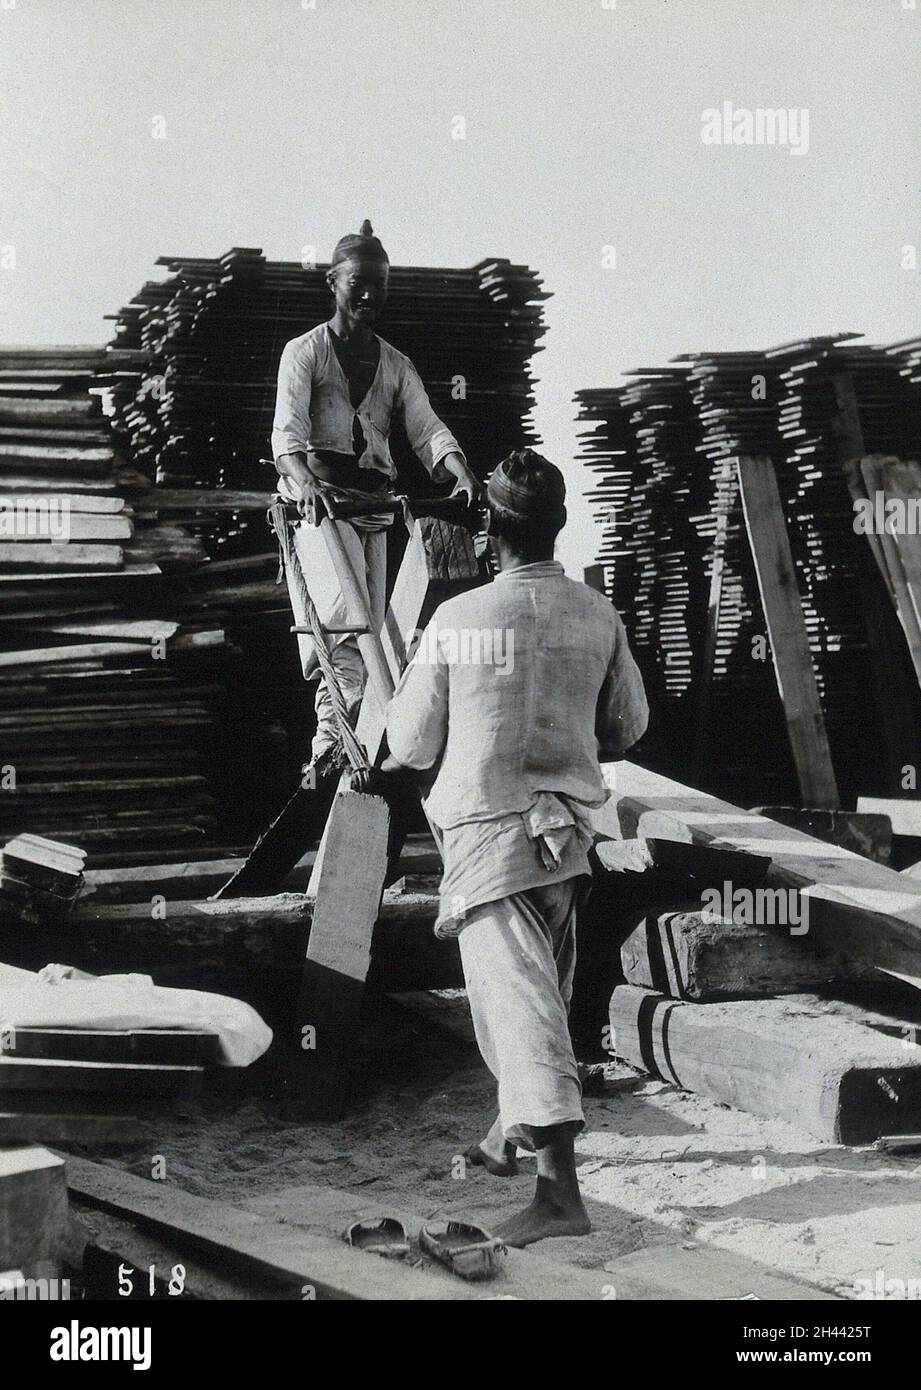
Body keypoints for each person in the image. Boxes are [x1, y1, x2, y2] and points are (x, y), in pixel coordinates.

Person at [383, 449, 648, 1246]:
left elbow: (412, 740)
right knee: (542, 1001)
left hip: (488, 832)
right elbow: (627, 727)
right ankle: (507, 1137)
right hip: (564, 835)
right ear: (557, 527)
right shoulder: (596, 615)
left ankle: (559, 1197)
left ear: (486, 530)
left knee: (521, 1008)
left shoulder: (460, 621)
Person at [271, 219, 481, 774]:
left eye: (380, 285)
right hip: (319, 507)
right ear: (333, 284)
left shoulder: (395, 364)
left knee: (378, 635)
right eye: (357, 283)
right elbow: (286, 438)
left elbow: (427, 429)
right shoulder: (305, 353)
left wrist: (459, 473)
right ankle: (329, 740)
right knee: (343, 623)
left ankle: (365, 743)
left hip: (373, 509)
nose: (368, 295)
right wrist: (307, 485)